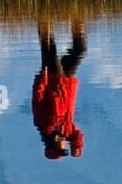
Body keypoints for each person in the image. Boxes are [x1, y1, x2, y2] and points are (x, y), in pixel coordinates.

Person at [33, 17, 86, 160]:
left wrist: (42, 79)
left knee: (49, 46)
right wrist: (77, 147)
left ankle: (43, 16)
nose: (65, 146)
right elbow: (77, 135)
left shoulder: (43, 124)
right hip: (67, 82)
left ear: (53, 145)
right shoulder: (66, 131)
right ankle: (77, 16)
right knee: (80, 49)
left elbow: (38, 98)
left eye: (62, 149)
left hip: (53, 79)